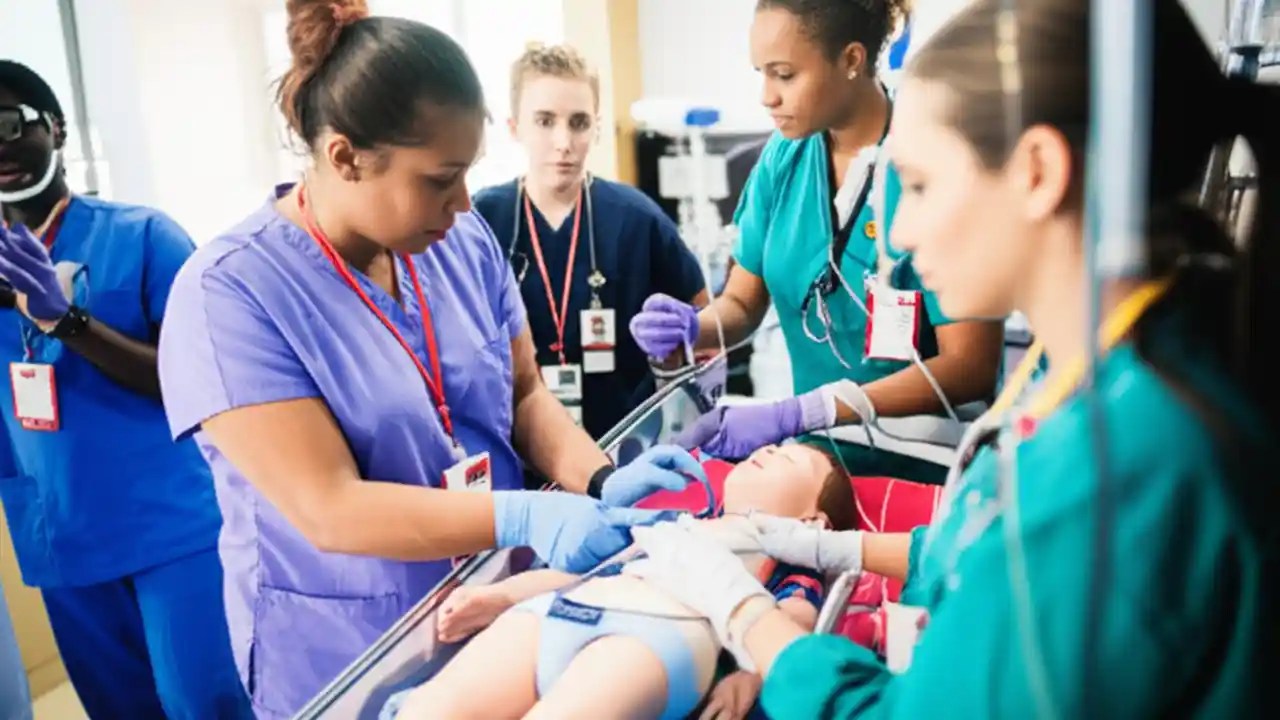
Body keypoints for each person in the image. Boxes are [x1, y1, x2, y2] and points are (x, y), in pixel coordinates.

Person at [623, 0, 1280, 716]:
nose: (900, 228)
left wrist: (744, 612)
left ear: (1036, 171)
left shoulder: (1118, 463)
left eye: (925, 185)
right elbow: (978, 544)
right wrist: (811, 546)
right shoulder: (1117, 365)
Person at [154, 3, 701, 717]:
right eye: (440, 179)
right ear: (346, 156)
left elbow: (525, 394)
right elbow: (330, 508)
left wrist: (598, 475)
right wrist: (523, 516)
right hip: (347, 643)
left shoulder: (460, 242)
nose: (464, 201)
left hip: (496, 604)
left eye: (469, 174)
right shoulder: (229, 293)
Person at [630, 0, 1006, 484]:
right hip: (819, 456)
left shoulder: (929, 158)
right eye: (761, 73)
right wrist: (692, 328)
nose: (767, 96)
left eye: (784, 75)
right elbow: (744, 304)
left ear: (851, 60)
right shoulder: (782, 162)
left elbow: (970, 364)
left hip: (930, 459)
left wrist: (808, 410)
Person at [0, 61, 251, 718]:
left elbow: (195, 383)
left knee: (205, 701)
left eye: (10, 124)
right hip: (60, 536)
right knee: (119, 710)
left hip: (168, 527)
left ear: (54, 129)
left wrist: (69, 322)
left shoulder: (144, 236)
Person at [386, 442, 857, 720]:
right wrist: (501, 595)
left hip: (654, 637)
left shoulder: (786, 559)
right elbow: (584, 570)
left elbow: (792, 622)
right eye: (771, 446)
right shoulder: (676, 521)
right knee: (425, 712)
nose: (768, 450)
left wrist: (749, 676)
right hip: (562, 611)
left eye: (789, 460)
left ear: (813, 522)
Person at [473, 43, 708, 441]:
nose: (563, 142)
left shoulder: (636, 218)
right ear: (515, 127)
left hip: (627, 445)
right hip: (517, 444)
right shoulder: (483, 220)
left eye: (579, 122)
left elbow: (705, 318)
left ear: (596, 128)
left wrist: (676, 349)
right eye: (545, 121)